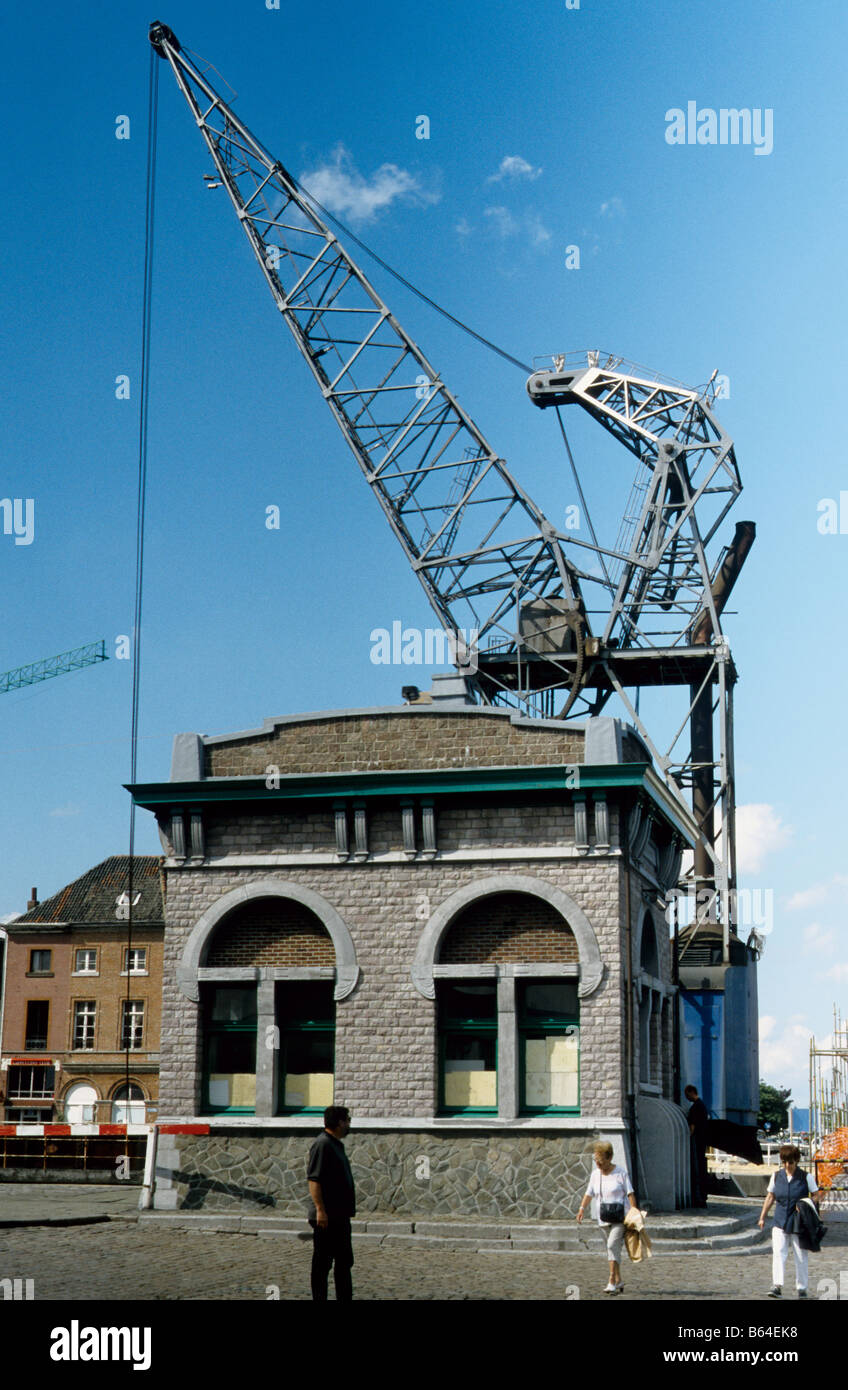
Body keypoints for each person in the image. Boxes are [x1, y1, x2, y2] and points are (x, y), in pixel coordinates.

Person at [758, 1142, 820, 1298]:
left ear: (796, 1161)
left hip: (799, 1222)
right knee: (779, 1253)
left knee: (800, 1255)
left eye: (790, 1162)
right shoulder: (776, 1176)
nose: (787, 1165)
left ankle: (802, 1288)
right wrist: (762, 1216)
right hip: (779, 1220)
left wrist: (806, 1204)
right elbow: (770, 1196)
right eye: (784, 1162)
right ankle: (777, 1285)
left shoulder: (806, 1177)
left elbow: (817, 1195)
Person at [307, 1104, 356, 1301]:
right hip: (327, 1216)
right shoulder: (323, 1144)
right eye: (347, 1120)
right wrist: (320, 1210)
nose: (349, 1124)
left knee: (344, 1261)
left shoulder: (336, 1144)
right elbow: (314, 1179)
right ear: (338, 1122)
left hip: (340, 1215)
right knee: (322, 1262)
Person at [576, 1140, 637, 1294]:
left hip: (619, 1217)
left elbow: (630, 1193)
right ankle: (619, 1280)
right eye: (596, 1161)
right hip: (602, 1217)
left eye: (601, 1162)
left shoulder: (621, 1173)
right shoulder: (595, 1175)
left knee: (611, 1245)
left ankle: (611, 1280)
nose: (598, 1165)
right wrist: (582, 1208)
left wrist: (634, 1212)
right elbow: (589, 1193)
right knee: (612, 1249)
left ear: (609, 1158)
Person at [684, 1084, 709, 1208]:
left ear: (691, 1092)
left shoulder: (695, 1108)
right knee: (701, 1167)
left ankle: (699, 1197)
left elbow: (692, 1127)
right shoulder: (703, 1106)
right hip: (703, 1140)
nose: (687, 1098)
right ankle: (702, 1196)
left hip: (697, 1141)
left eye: (687, 1095)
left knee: (697, 1168)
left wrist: (687, 1137)